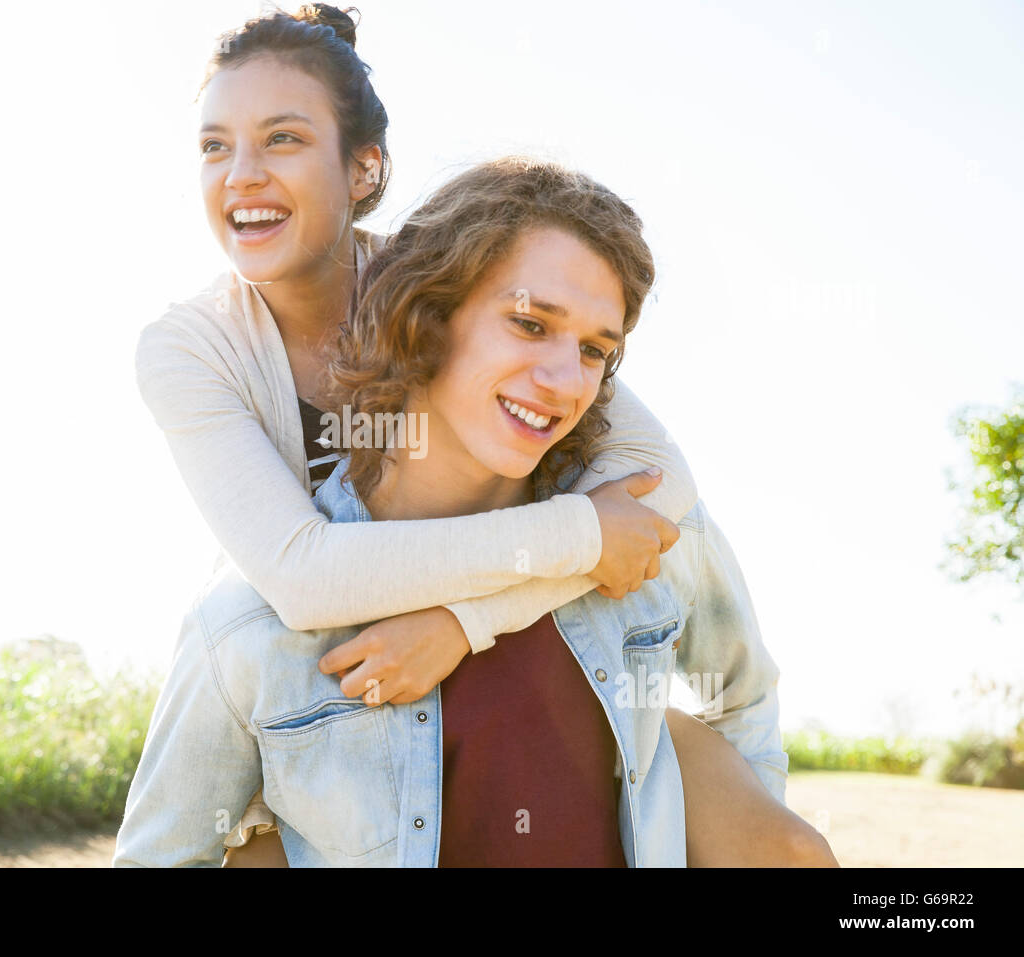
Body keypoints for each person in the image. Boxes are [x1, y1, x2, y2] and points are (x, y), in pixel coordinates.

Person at [114, 156, 837, 867]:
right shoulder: (249, 627)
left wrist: (743, 822)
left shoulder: (643, 535)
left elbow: (740, 696)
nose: (563, 380)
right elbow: (160, 855)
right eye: (528, 324)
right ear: (429, 316)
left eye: (593, 349)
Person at [139, 2, 716, 864]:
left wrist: (462, 619)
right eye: (215, 145)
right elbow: (301, 577)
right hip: (310, 691)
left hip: (443, 677)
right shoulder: (186, 347)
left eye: (283, 139)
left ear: (365, 168)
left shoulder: (442, 289)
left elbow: (658, 482)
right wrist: (580, 536)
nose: (242, 175)